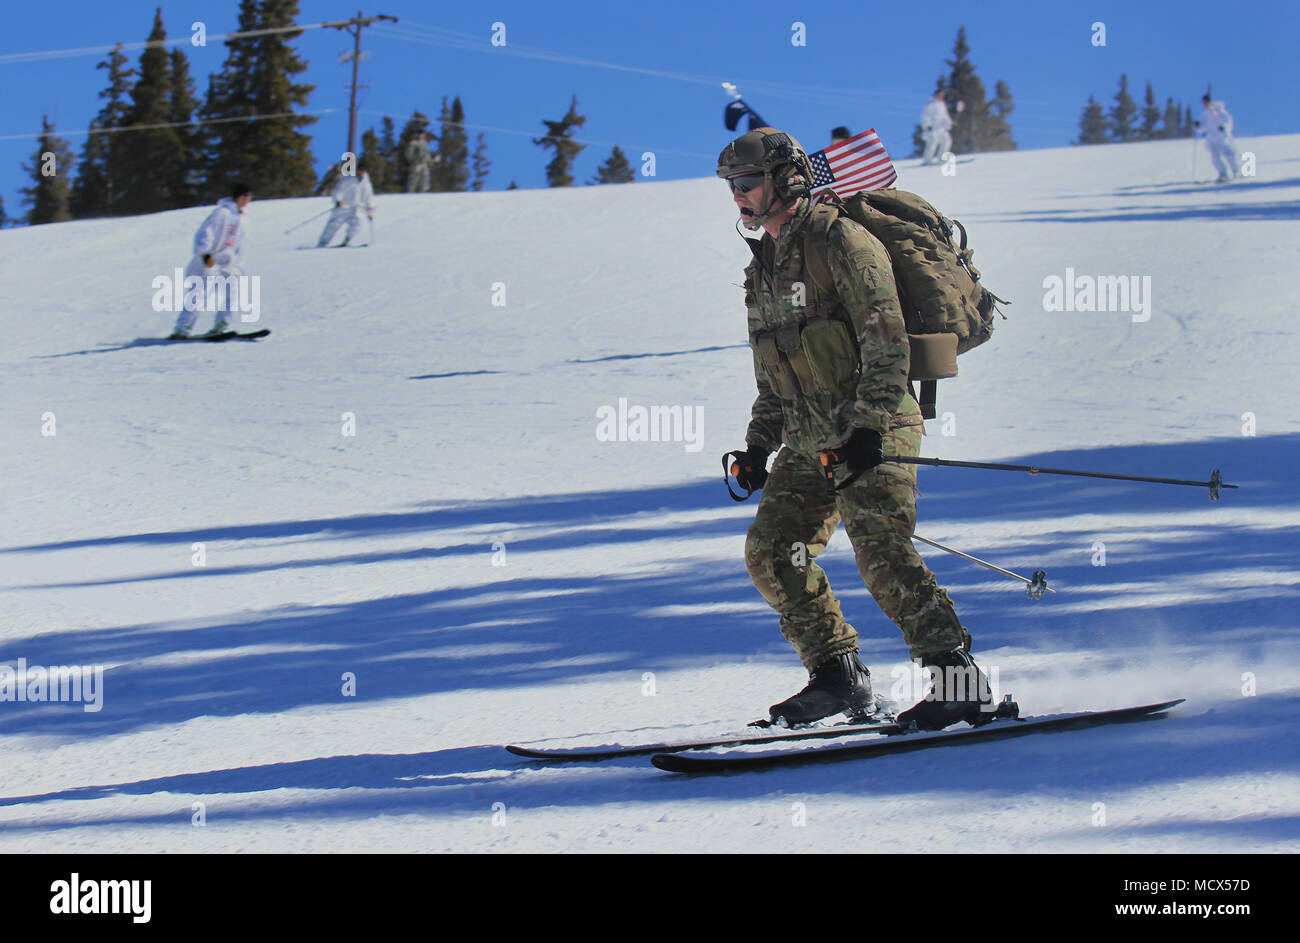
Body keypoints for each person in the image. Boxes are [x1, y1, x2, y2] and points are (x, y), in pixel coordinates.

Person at [717, 126, 993, 731]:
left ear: (785, 179)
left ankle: (959, 683)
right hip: (809, 431)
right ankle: (838, 677)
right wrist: (760, 445)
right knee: (771, 552)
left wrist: (869, 429)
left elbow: (888, 340)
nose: (737, 195)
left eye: (747, 183)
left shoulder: (841, 241)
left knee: (880, 548)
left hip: (877, 419)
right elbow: (774, 369)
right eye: (731, 186)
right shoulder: (763, 265)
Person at [169, 183, 252, 339]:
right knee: (200, 293)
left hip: (228, 261)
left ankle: (222, 326)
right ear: (238, 197)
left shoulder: (244, 218)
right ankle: (182, 328)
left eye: (249, 197)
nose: (247, 200)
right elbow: (205, 232)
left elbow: (242, 243)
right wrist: (205, 253)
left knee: (233, 290)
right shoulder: (222, 213)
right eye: (245, 196)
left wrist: (238, 263)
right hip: (210, 259)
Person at [317, 163, 374, 248]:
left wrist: (369, 211)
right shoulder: (348, 180)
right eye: (359, 171)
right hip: (344, 207)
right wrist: (338, 200)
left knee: (356, 225)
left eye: (363, 171)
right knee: (333, 225)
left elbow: (368, 198)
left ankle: (346, 241)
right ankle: (322, 244)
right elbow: (339, 190)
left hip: (357, 208)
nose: (361, 173)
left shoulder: (366, 184)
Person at [1195, 93, 1237, 183]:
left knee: (1228, 154)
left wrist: (1224, 127)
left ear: (1210, 102)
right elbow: (1203, 128)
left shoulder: (1219, 110)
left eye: (1206, 102)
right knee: (1215, 158)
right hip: (1211, 139)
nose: (1204, 105)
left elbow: (1228, 121)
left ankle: (1236, 171)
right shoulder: (1205, 114)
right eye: (1203, 103)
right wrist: (1198, 126)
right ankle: (1222, 173)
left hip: (1221, 137)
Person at [920, 90, 952, 165]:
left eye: (943, 95)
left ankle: (942, 159)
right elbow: (925, 116)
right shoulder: (930, 104)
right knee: (932, 143)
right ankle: (927, 160)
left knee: (946, 140)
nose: (942, 96)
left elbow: (945, 116)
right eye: (940, 95)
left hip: (940, 128)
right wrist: (928, 125)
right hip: (932, 129)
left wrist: (949, 124)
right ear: (936, 95)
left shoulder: (942, 104)